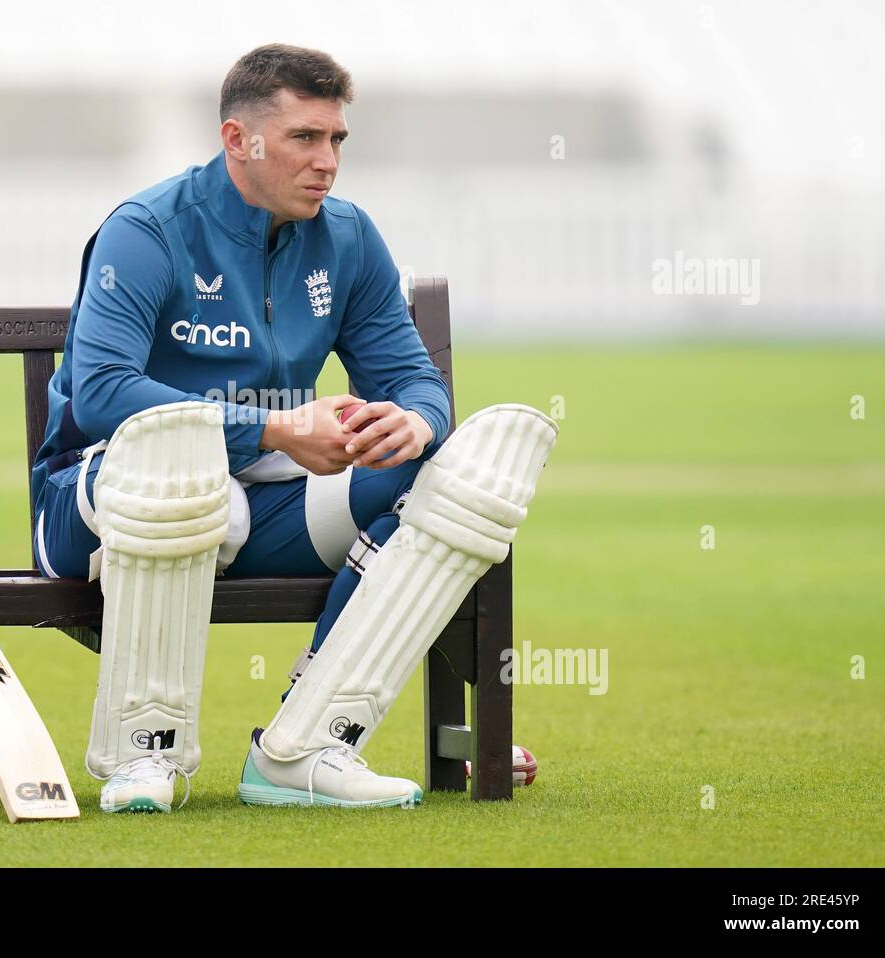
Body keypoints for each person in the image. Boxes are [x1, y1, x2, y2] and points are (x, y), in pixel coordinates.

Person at [29, 43, 557, 814]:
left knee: (461, 476)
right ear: (238, 140)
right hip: (99, 497)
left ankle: (305, 747)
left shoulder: (346, 238)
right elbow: (104, 394)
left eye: (336, 139)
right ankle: (144, 756)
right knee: (179, 473)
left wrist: (413, 421)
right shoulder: (147, 230)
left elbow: (413, 378)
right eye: (305, 138)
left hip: (255, 506)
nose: (328, 161)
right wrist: (271, 432)